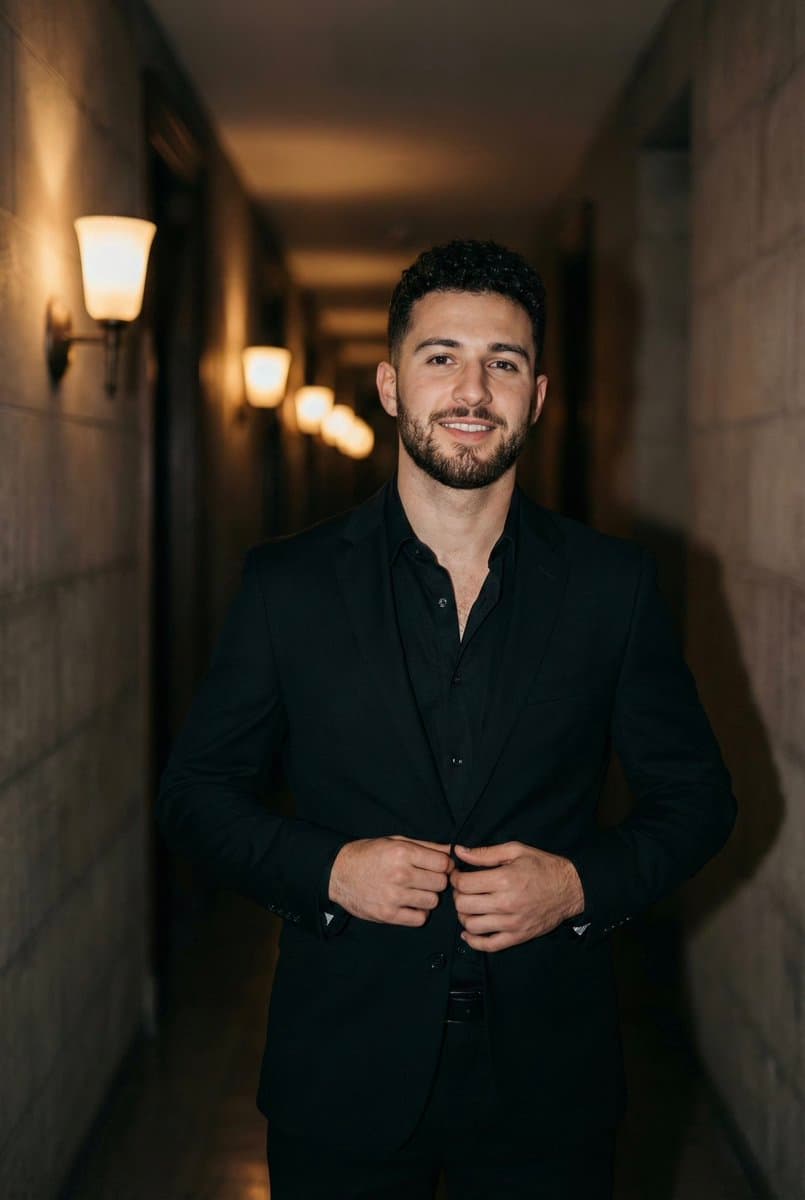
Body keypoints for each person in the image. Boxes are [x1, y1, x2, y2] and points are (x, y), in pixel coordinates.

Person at [156, 240, 736, 1199]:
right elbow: (195, 796)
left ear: (537, 396)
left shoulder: (614, 588)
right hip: (341, 1074)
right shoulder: (285, 586)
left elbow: (698, 801)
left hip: (549, 1082)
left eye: (502, 362)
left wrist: (578, 887)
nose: (472, 389)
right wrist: (329, 868)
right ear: (389, 385)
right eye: (441, 357)